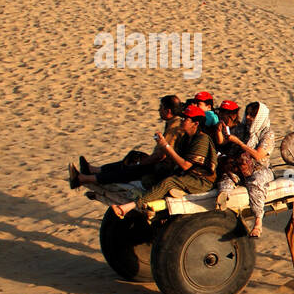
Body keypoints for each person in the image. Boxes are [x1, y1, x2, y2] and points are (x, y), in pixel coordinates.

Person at [109, 105, 218, 219]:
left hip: (201, 180)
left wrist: (166, 146)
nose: (182, 121)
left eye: (186, 119)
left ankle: (130, 206)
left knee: (168, 182)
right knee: (149, 179)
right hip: (185, 175)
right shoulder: (185, 137)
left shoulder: (202, 139)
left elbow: (186, 165)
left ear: (195, 124)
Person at [72, 95, 182, 188]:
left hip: (164, 168)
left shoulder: (174, 127)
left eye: (161, 107)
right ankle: (94, 170)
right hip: (162, 163)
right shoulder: (172, 123)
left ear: (168, 111)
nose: (159, 110)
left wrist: (141, 163)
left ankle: (85, 178)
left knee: (130, 170)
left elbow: (161, 155)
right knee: (132, 157)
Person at [215, 101, 275, 237]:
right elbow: (223, 142)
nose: (248, 117)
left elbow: (258, 155)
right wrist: (220, 132)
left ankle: (258, 222)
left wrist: (240, 143)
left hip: (259, 169)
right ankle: (223, 199)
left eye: (252, 115)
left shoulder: (267, 133)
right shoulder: (242, 129)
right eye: (247, 114)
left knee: (256, 182)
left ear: (259, 117)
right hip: (239, 166)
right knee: (227, 178)